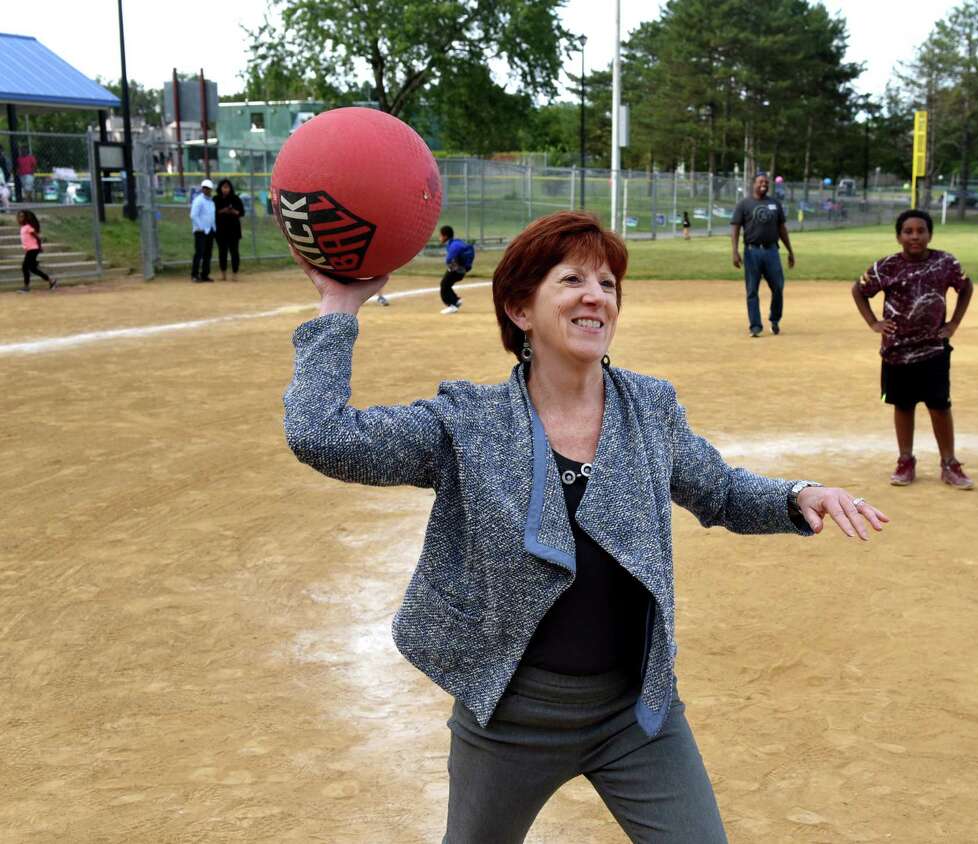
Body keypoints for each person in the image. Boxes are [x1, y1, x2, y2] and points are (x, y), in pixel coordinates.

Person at [283, 210, 889, 842]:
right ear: (520, 310)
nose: (596, 296)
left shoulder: (648, 406)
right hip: (510, 718)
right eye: (571, 279)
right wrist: (338, 307)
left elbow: (719, 489)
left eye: (608, 284)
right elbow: (323, 436)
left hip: (634, 715)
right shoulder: (469, 421)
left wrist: (798, 496)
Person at [850, 209, 975, 489]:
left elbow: (966, 287)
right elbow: (858, 290)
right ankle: (906, 460)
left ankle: (949, 463)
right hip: (897, 351)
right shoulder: (886, 267)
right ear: (898, 236)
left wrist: (953, 323)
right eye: (908, 231)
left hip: (933, 349)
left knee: (939, 406)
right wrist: (873, 322)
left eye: (921, 231)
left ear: (930, 234)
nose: (915, 236)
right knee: (903, 405)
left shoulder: (945, 262)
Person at [731, 173, 795, 337]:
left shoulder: (774, 204)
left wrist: (790, 251)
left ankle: (774, 319)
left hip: (772, 251)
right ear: (754, 184)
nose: (764, 184)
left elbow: (782, 229)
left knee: (778, 287)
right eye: (760, 182)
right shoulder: (744, 204)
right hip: (752, 252)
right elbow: (736, 228)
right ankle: (755, 326)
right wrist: (735, 251)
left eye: (766, 182)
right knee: (752, 290)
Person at [16, 210, 56, 292]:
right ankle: (51, 281)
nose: (20, 218)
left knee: (25, 267)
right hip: (30, 249)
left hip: (33, 249)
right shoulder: (23, 227)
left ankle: (26, 287)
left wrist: (40, 247)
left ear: (26, 218)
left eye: (22, 216)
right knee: (32, 269)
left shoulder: (28, 227)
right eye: (19, 216)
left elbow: (37, 237)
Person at [438, 225, 474, 314]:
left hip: (458, 269)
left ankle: (452, 305)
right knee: (447, 284)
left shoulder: (454, 245)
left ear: (445, 236)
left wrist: (454, 269)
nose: (439, 238)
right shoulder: (454, 243)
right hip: (460, 268)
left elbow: (449, 259)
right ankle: (456, 300)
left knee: (444, 285)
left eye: (441, 235)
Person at [213, 179, 244, 281]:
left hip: (234, 230)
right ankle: (223, 273)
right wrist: (223, 211)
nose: (225, 189)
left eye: (227, 187)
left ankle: (235, 273)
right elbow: (213, 213)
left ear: (230, 188)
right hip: (221, 231)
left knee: (234, 252)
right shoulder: (216, 199)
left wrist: (234, 211)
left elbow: (242, 212)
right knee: (222, 252)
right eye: (224, 187)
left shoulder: (235, 199)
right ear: (220, 188)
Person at [190, 179, 216, 282]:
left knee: (208, 254)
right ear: (202, 189)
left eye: (208, 188)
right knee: (199, 253)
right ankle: (194, 274)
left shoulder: (211, 201)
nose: (206, 190)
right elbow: (193, 216)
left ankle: (205, 274)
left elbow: (211, 215)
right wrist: (202, 227)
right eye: (205, 188)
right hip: (200, 231)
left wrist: (213, 228)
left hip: (210, 230)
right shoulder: (198, 200)